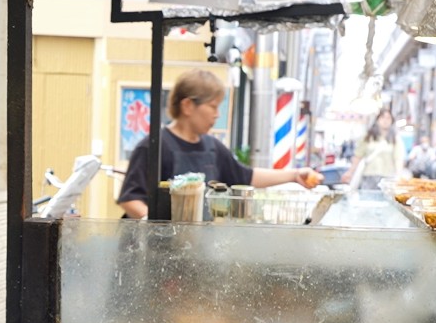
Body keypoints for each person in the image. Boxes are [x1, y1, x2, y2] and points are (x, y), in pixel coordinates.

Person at [116, 69, 320, 219]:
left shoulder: (212, 147)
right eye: (213, 106)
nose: (217, 114)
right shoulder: (154, 147)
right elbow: (130, 198)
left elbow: (246, 176)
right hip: (158, 256)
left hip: (195, 251)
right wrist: (161, 233)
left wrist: (294, 176)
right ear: (188, 105)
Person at [342, 109, 405, 190]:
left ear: (392, 121)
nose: (385, 120)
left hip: (387, 178)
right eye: (382, 117)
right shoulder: (368, 137)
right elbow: (358, 156)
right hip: (368, 176)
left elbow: (398, 159)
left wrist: (399, 177)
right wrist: (350, 172)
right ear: (377, 120)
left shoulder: (395, 139)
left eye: (388, 118)